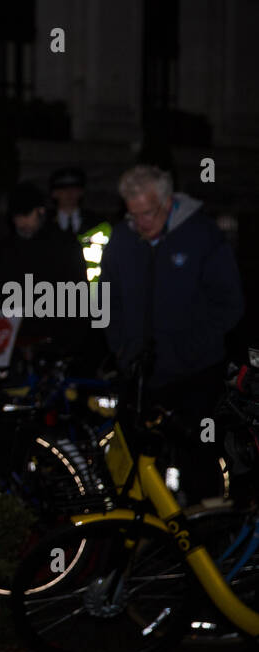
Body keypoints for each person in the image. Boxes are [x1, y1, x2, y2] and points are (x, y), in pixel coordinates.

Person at [103, 164, 245, 502]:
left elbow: (229, 304)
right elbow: (108, 301)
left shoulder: (202, 235)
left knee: (197, 457)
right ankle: (136, 536)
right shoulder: (122, 238)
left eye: (148, 213)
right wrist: (122, 349)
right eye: (133, 214)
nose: (141, 223)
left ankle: (205, 534)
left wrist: (189, 351)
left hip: (194, 375)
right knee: (128, 463)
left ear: (167, 203)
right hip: (138, 374)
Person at [0, 181, 90, 362]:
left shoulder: (64, 244)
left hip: (56, 339)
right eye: (17, 217)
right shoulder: (7, 248)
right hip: (17, 339)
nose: (22, 222)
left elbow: (77, 295)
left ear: (41, 211)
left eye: (27, 215)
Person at [49, 166, 102, 237]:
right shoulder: (43, 222)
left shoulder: (95, 221)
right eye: (63, 189)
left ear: (81, 192)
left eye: (74, 189)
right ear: (54, 193)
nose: (69, 193)